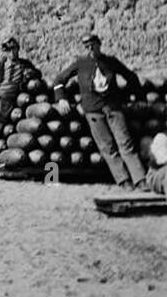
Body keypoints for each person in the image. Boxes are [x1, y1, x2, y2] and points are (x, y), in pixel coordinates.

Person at [52, 32, 145, 188]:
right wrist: (61, 98)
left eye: (92, 45)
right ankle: (124, 181)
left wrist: (139, 98)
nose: (90, 49)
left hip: (113, 108)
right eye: (86, 47)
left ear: (99, 45)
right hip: (93, 111)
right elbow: (59, 80)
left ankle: (140, 180)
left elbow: (131, 77)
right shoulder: (80, 64)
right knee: (107, 147)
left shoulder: (110, 62)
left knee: (126, 144)